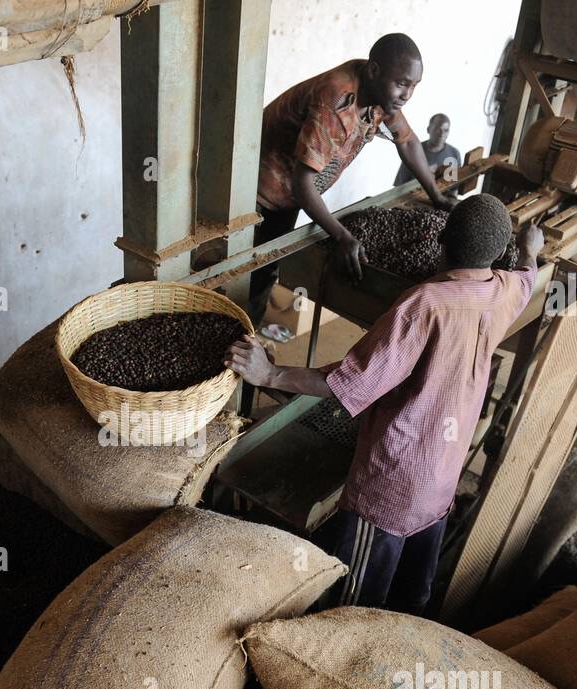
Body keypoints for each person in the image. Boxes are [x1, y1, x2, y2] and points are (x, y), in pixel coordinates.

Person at [227, 194, 542, 613]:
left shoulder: (423, 303)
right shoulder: (504, 290)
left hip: (390, 493)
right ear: (499, 254)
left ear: (441, 240)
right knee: (412, 597)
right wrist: (531, 249)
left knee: (352, 604)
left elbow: (349, 382)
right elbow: (527, 277)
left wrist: (269, 374)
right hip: (440, 481)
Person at [250, 33, 458, 320]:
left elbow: (408, 142)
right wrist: (342, 236)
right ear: (374, 71)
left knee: (265, 268)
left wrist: (436, 196)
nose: (407, 95)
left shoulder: (381, 93)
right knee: (247, 272)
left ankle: (247, 342)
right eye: (402, 84)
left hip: (287, 193)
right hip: (256, 190)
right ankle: (234, 347)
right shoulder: (335, 103)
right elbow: (303, 184)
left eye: (414, 86)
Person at [394, 113, 461, 186]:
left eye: (446, 130)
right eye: (438, 129)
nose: (442, 134)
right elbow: (399, 185)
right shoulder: (413, 151)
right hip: (415, 195)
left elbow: (455, 187)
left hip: (443, 196)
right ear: (428, 130)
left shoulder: (454, 154)